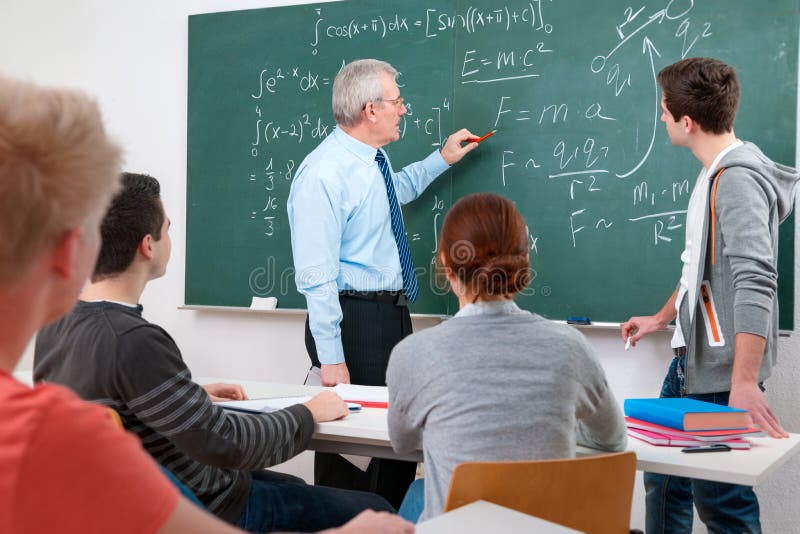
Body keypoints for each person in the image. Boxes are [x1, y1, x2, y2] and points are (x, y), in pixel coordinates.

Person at [34, 172, 402, 533]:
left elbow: (111, 399)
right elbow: (228, 444)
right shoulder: (134, 341)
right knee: (378, 510)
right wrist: (308, 413)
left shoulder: (56, 324)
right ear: (148, 246)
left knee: (294, 486)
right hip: (206, 510)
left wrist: (186, 396)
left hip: (123, 507)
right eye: (167, 228)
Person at [287, 58, 479, 506]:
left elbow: (396, 190)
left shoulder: (370, 160)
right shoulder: (324, 173)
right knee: (354, 462)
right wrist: (332, 360)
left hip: (390, 316)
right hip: (354, 322)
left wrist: (442, 158)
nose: (404, 109)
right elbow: (316, 277)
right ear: (370, 110)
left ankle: (391, 522)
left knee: (395, 451)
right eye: (397, 101)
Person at [621, 57, 799, 533]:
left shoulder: (736, 179)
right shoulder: (713, 172)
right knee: (665, 482)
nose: (660, 116)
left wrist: (743, 382)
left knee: (721, 502)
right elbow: (698, 270)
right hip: (690, 362)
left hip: (721, 373)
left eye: (664, 109)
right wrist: (662, 318)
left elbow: (756, 279)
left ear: (687, 121)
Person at [386, 192, 628, 522]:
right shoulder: (571, 348)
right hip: (545, 528)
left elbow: (402, 443)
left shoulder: (414, 354)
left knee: (418, 495)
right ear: (524, 260)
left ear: (445, 263)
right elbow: (613, 439)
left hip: (461, 528)